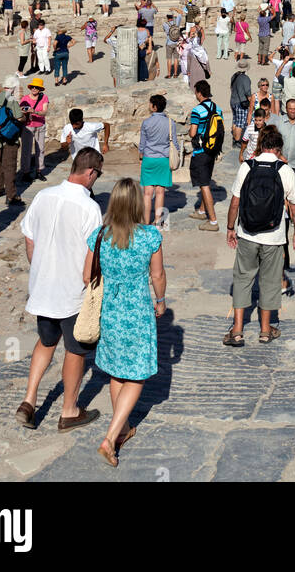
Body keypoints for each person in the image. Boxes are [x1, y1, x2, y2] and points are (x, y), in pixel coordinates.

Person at [15, 148, 104, 432]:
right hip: (71, 292)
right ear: (91, 172)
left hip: (43, 287)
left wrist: (40, 268)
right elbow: (93, 253)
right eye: (97, 175)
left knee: (46, 341)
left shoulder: (43, 196)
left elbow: (29, 238)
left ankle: (29, 401)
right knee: (75, 350)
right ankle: (69, 410)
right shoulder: (89, 207)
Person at [84, 179, 166, 466]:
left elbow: (87, 277)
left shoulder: (99, 235)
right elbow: (157, 275)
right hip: (138, 310)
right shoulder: (149, 237)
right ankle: (109, 438)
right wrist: (161, 300)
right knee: (137, 374)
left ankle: (123, 428)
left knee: (118, 372)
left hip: (110, 309)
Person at [224, 125, 295, 347]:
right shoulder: (285, 171)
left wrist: (231, 228)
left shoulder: (246, 167)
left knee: (242, 280)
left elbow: (235, 202)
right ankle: (265, 331)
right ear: (279, 149)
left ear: (261, 146)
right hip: (274, 236)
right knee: (269, 282)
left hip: (248, 234)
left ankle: (238, 330)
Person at [139, 93, 178, 225]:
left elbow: (142, 143)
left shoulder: (146, 123)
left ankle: (145, 222)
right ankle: (157, 221)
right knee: (160, 192)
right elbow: (175, 143)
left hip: (149, 158)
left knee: (147, 193)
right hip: (163, 159)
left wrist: (141, 156)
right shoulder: (170, 122)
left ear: (154, 107)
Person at [188, 82, 222, 230]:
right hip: (212, 150)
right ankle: (202, 211)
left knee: (204, 184)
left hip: (201, 152)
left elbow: (193, 133)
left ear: (199, 93)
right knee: (206, 180)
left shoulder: (197, 110)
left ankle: (213, 221)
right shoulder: (217, 108)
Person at [0, 75, 25, 206]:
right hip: (9, 139)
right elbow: (19, 117)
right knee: (9, 167)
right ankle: (11, 195)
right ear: (14, 87)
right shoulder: (11, 99)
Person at [20, 76, 49, 181]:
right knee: (26, 150)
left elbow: (45, 112)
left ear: (40, 89)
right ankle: (25, 172)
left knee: (40, 149)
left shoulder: (44, 98)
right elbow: (20, 110)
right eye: (32, 87)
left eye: (36, 87)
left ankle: (39, 171)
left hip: (40, 125)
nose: (34, 89)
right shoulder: (25, 98)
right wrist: (24, 111)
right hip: (28, 126)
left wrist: (34, 111)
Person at [229, 57, 254, 147]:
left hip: (233, 100)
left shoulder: (234, 76)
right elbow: (248, 92)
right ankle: (237, 141)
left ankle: (234, 137)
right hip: (241, 102)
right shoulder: (246, 78)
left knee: (235, 120)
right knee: (240, 122)